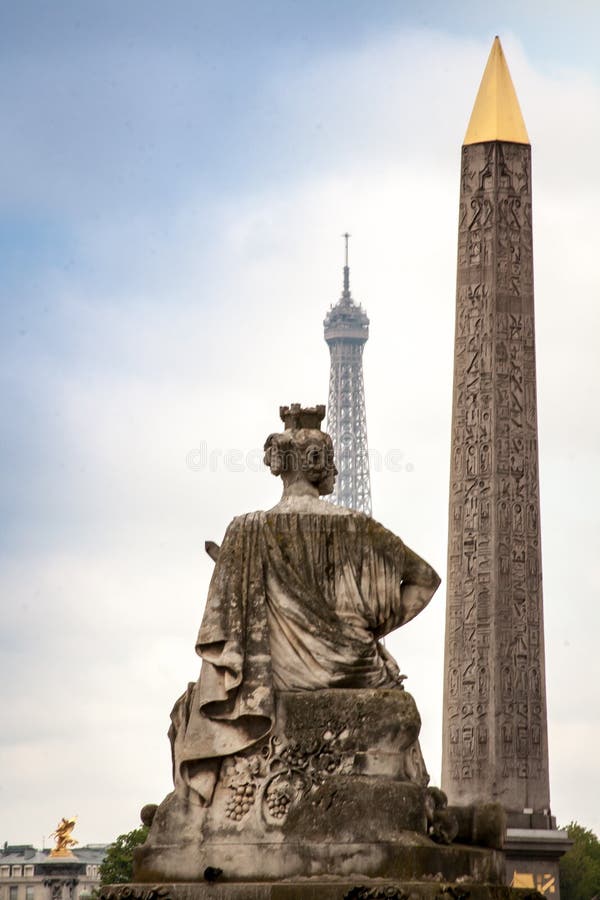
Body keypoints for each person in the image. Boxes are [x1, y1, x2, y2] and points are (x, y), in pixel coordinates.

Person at [170, 405, 440, 804]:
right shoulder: (357, 527)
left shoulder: (245, 532)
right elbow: (425, 580)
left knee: (186, 709)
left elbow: (225, 632)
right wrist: (367, 629)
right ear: (319, 463)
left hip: (277, 678)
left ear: (278, 465)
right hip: (356, 670)